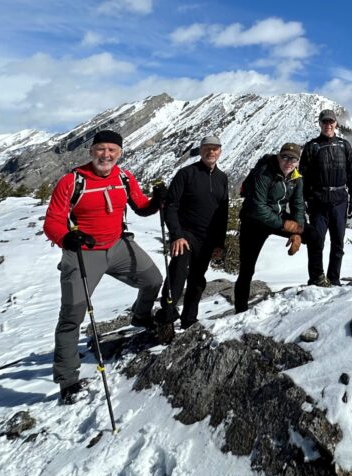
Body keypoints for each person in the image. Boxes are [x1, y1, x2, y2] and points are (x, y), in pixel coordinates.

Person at [43, 129, 164, 404]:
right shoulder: (72, 181)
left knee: (153, 279)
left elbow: (141, 206)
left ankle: (140, 316)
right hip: (83, 253)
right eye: (101, 149)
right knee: (72, 315)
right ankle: (68, 380)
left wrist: (156, 201)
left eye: (112, 150)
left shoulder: (124, 177)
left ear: (119, 153)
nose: (106, 155)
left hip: (118, 245)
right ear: (91, 151)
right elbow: (52, 221)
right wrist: (66, 237)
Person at [159, 133, 230, 328]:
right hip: (185, 233)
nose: (211, 151)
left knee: (198, 278)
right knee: (178, 271)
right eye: (207, 148)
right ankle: (166, 315)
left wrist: (219, 243)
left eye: (215, 148)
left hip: (207, 238)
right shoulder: (186, 173)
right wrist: (177, 235)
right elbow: (171, 206)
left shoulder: (222, 178)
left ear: (220, 152)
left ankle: (189, 319)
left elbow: (222, 214)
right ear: (200, 151)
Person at [234, 142, 305, 313]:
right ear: (279, 157)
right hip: (254, 222)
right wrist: (284, 225)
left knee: (315, 236)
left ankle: (317, 281)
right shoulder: (265, 173)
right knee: (246, 270)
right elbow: (258, 207)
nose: (288, 162)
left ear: (297, 162)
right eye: (285, 157)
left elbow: (298, 205)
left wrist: (297, 232)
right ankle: (240, 311)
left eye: (293, 159)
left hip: (277, 218)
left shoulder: (296, 178)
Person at [299, 108, 352, 287]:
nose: (328, 125)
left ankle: (334, 279)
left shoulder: (344, 145)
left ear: (336, 124)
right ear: (320, 124)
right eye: (325, 122)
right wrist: (304, 201)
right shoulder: (312, 146)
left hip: (340, 200)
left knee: (338, 243)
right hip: (318, 202)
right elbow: (302, 177)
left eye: (331, 122)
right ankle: (316, 279)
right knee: (316, 242)